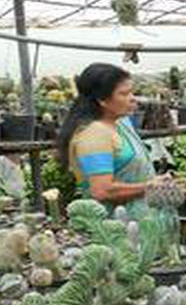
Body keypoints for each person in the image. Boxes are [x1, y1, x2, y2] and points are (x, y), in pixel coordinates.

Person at [55, 63, 161, 208]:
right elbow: (102, 190)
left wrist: (159, 183)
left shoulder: (121, 123)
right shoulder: (93, 135)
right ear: (102, 100)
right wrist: (150, 186)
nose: (133, 98)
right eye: (124, 94)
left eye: (131, 92)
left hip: (143, 217)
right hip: (116, 224)